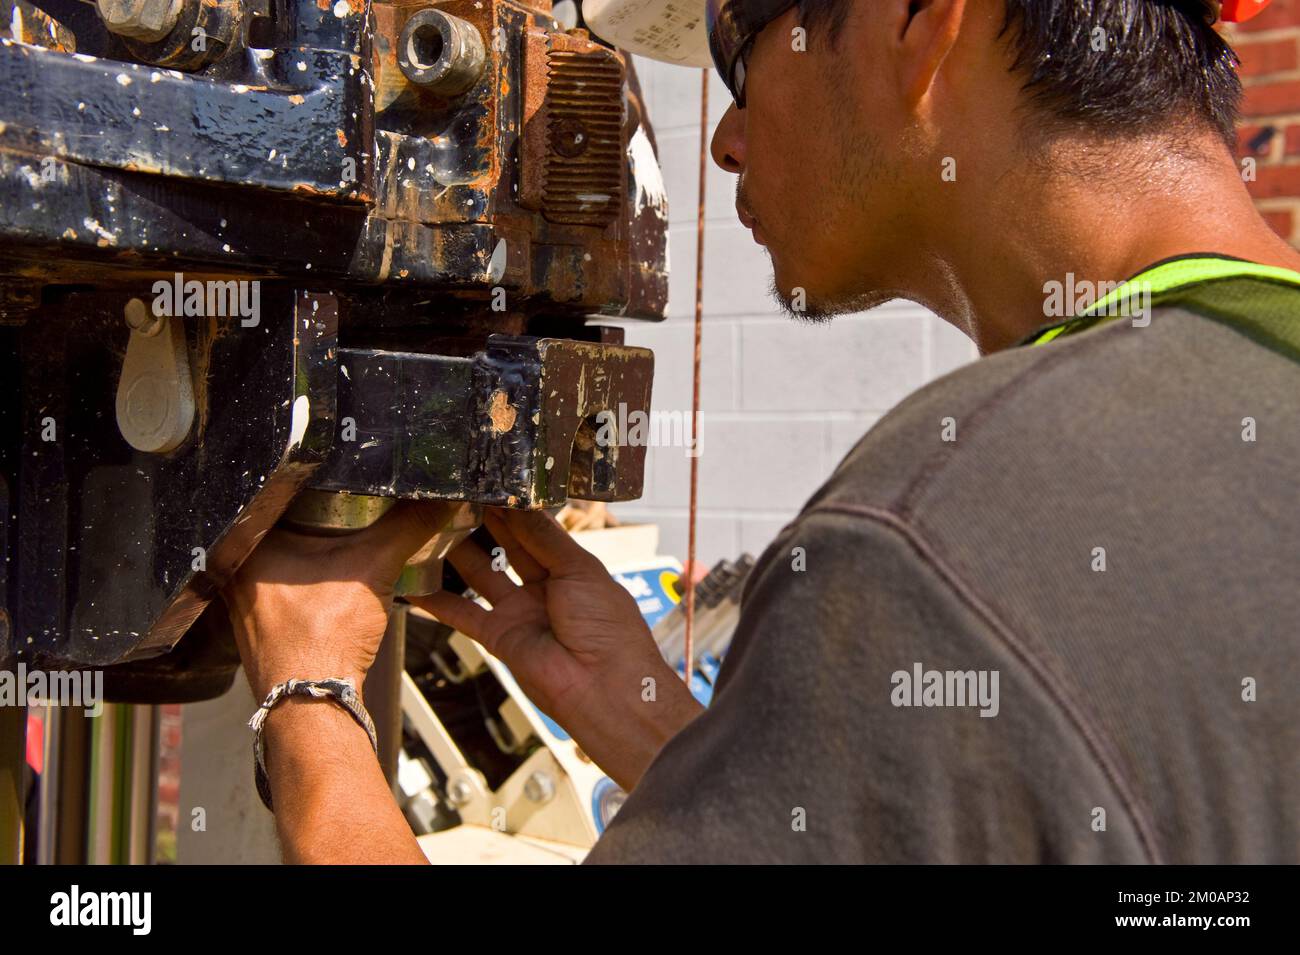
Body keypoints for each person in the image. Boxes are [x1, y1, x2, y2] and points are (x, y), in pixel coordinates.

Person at [224, 0, 1300, 863]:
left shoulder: (938, 532)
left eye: (744, 55)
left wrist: (306, 688)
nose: (729, 140)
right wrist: (677, 742)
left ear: (919, 24)